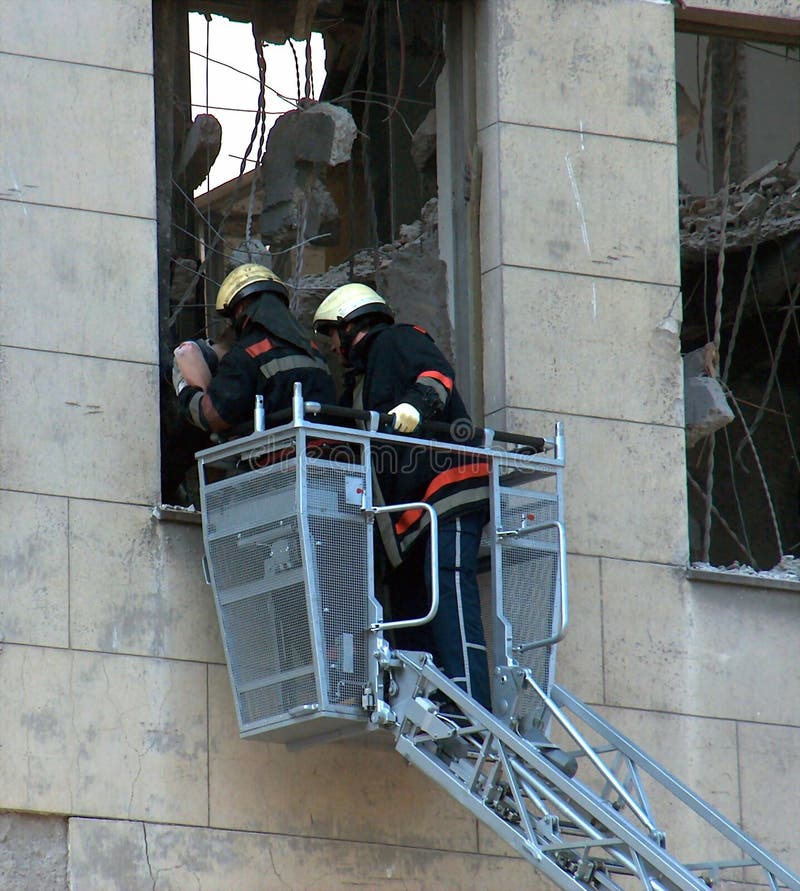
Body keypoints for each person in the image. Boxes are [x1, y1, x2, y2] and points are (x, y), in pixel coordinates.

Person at [312, 282, 492, 711]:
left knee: (447, 587)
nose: (334, 348)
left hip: (448, 492)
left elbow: (435, 376)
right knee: (411, 602)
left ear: (351, 323)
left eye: (334, 335)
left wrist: (415, 406)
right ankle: (430, 693)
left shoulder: (398, 340)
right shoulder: (360, 384)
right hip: (408, 517)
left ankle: (467, 695)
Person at [173, 264, 335, 435]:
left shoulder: (248, 353)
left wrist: (185, 388)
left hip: (274, 454)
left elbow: (213, 416)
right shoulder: (314, 352)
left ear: (241, 308)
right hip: (324, 452)